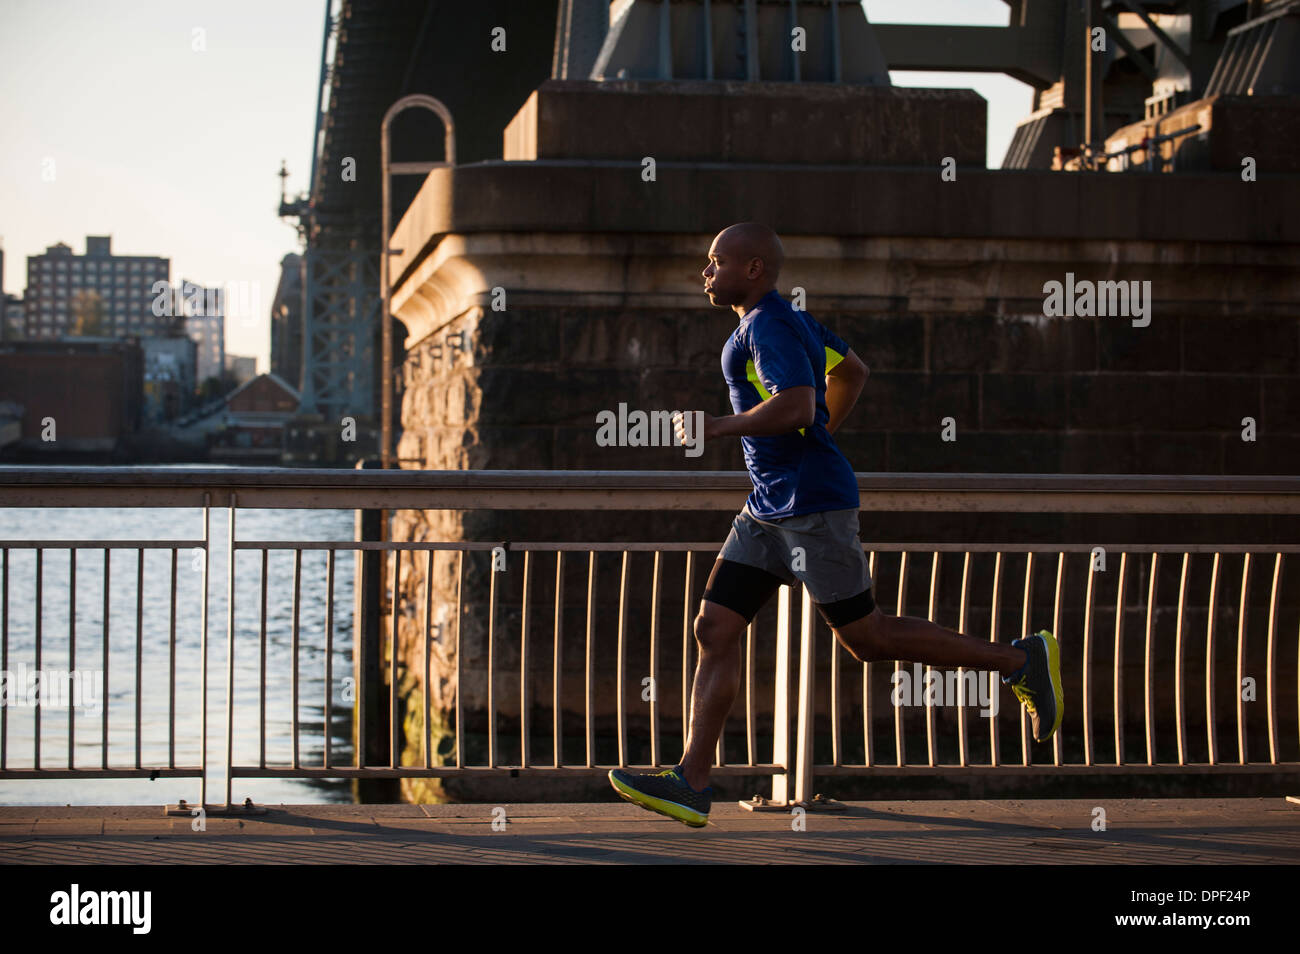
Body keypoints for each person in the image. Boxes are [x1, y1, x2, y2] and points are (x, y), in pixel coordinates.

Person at [608, 222, 1063, 827]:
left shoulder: (769, 325)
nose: (705, 271)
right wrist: (818, 438)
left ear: (754, 270)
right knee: (714, 625)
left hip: (811, 504)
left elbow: (798, 405)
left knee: (867, 638)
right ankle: (691, 781)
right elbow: (853, 374)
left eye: (716, 261)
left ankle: (1017, 661)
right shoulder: (793, 321)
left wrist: (719, 426)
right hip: (769, 506)